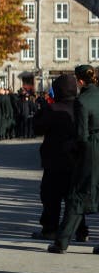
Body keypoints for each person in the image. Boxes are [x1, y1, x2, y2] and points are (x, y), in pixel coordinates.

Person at [49, 65, 99, 254]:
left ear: (79, 81)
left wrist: (74, 153)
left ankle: (62, 242)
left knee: (77, 196)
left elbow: (81, 135)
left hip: (91, 150)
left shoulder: (82, 101)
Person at [32, 74, 88, 241]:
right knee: (74, 197)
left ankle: (50, 229)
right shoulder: (81, 107)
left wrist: (41, 111)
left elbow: (38, 128)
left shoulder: (53, 109)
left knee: (51, 196)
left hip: (55, 160)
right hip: (76, 159)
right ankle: (80, 230)